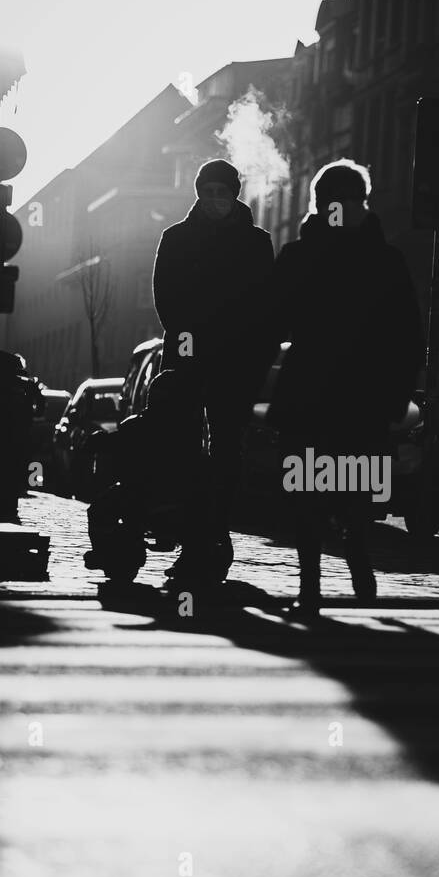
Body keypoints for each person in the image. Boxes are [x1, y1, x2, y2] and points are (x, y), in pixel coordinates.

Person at [267, 159, 425, 617]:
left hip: (339, 395)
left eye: (347, 202)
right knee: (314, 492)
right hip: (343, 396)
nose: (339, 210)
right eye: (332, 203)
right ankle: (317, 580)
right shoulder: (374, 258)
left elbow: (407, 334)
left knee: (335, 492)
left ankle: (347, 557)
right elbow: (274, 319)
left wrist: (398, 392)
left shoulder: (327, 257)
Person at [152, 158, 274, 585]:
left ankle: (217, 533)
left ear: (234, 195)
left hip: (235, 362)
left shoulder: (257, 243)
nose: (215, 200)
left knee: (226, 449)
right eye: (208, 192)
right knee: (183, 445)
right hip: (189, 357)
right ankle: (189, 536)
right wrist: (187, 343)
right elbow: (165, 298)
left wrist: (252, 353)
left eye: (223, 192)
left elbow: (264, 305)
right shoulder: (176, 238)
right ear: (198, 193)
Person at [84, 369, 214, 587]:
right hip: (178, 496)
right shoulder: (190, 431)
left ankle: (103, 552)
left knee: (98, 511)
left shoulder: (138, 425)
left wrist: (97, 442)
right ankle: (192, 558)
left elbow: (113, 443)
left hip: (139, 495)